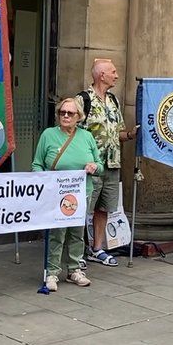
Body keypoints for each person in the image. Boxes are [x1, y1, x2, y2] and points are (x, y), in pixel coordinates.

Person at [33, 97, 102, 290]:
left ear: (79, 116)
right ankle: (52, 272)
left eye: (70, 113)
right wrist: (45, 181)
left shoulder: (86, 137)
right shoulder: (48, 135)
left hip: (81, 193)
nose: (65, 116)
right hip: (57, 193)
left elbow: (101, 165)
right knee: (56, 233)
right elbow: (37, 164)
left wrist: (94, 166)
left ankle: (74, 270)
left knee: (77, 233)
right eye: (62, 112)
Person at [76, 59, 137, 268]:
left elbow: (118, 132)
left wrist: (130, 134)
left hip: (112, 164)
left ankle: (97, 248)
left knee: (104, 208)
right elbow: (72, 132)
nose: (117, 76)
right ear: (101, 75)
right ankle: (77, 252)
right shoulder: (83, 99)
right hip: (90, 165)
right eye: (113, 72)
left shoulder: (113, 100)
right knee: (82, 208)